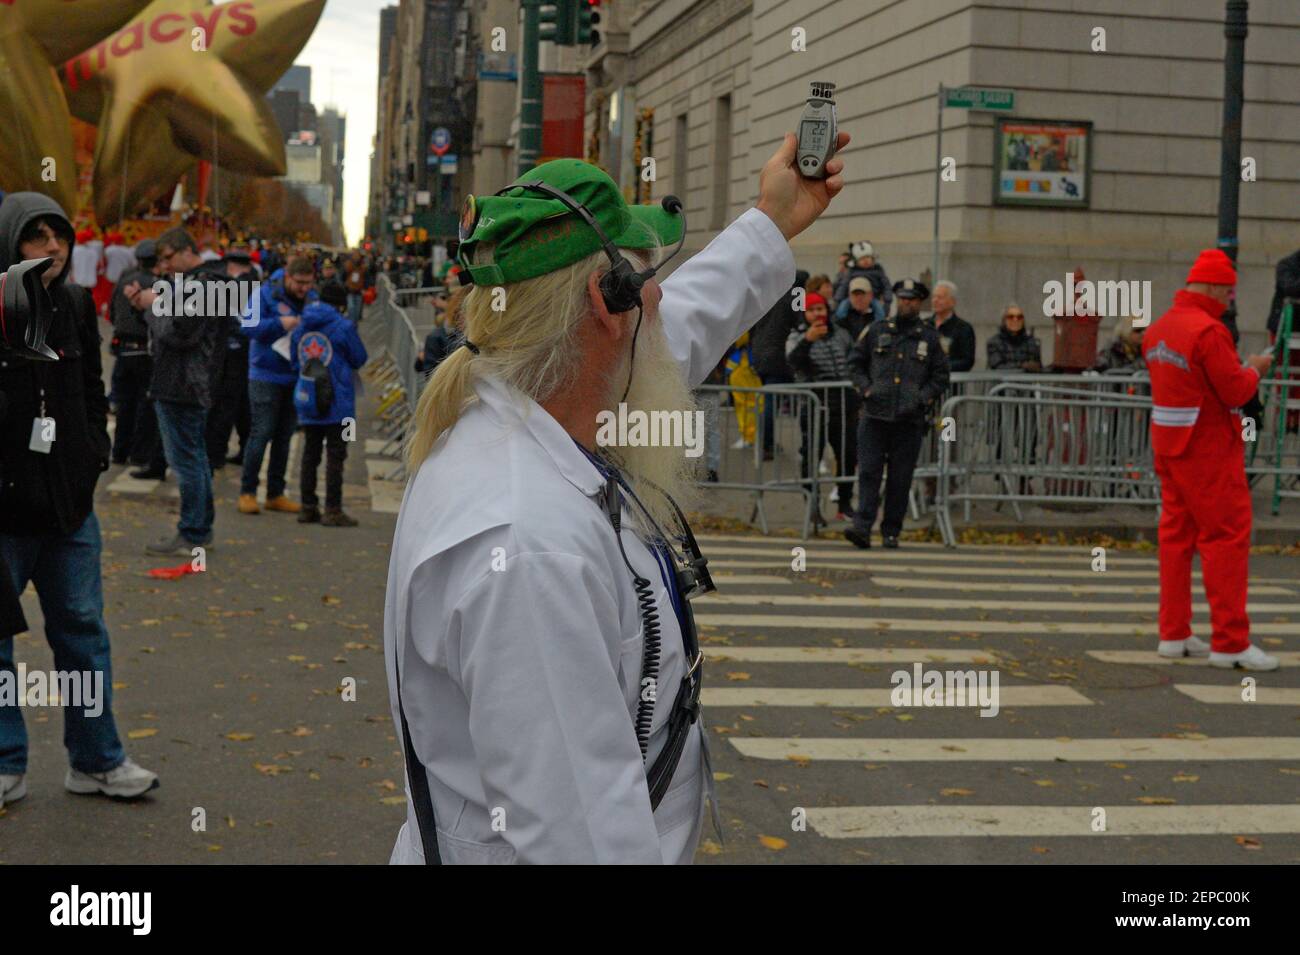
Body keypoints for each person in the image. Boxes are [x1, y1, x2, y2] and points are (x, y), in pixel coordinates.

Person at [384, 134, 846, 864]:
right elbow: (583, 839)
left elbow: (677, 325)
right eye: (646, 274)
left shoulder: (525, 404)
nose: (658, 295)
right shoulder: (529, 546)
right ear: (608, 302)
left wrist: (771, 218)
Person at [0, 192, 158, 805]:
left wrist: (91, 457)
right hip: (6, 512)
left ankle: (95, 760)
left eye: (58, 236)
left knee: (83, 632)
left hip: (68, 508)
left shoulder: (72, 303)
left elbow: (93, 393)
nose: (53, 248)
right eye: (36, 237)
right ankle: (7, 760)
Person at [1143, 249, 1276, 670]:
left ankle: (1174, 633)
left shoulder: (1158, 329)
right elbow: (1235, 391)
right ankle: (1231, 642)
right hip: (1208, 449)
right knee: (1226, 539)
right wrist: (1255, 368)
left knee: (1176, 539)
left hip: (1168, 445)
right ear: (1217, 286)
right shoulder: (1209, 331)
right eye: (1229, 293)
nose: (1229, 301)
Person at [123, 227, 225, 555]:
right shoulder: (206, 282)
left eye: (167, 258)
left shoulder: (204, 283)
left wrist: (152, 306)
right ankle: (199, 527)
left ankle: (193, 531)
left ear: (185, 251)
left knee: (186, 461)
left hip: (183, 383)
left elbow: (181, 334)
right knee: (194, 457)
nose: (164, 266)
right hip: (188, 381)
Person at [846, 278, 950, 549]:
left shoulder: (928, 337)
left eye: (912, 299)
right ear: (896, 300)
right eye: (903, 298)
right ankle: (862, 527)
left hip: (909, 418)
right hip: (874, 415)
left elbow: (940, 376)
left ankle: (891, 531)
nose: (907, 303)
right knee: (869, 472)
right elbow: (855, 364)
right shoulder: (877, 330)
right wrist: (866, 390)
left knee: (900, 478)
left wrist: (922, 397)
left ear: (919, 303)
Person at [239, 256, 317, 515]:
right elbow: (248, 325)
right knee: (261, 433)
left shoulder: (312, 299)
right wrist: (278, 325)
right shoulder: (265, 294)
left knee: (284, 437)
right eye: (299, 282)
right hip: (265, 373)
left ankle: (275, 492)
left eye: (308, 283)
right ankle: (248, 491)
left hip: (295, 375)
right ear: (287, 277)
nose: (303, 288)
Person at [291, 283, 368, 527]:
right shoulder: (344, 326)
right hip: (340, 403)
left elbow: (294, 358)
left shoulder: (301, 324)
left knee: (309, 454)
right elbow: (359, 358)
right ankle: (332, 509)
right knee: (337, 455)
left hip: (309, 399)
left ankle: (307, 506)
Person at [786, 291, 858, 520]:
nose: (818, 314)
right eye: (812, 310)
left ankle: (844, 504)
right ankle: (812, 505)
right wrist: (808, 340)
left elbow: (854, 360)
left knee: (847, 454)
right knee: (811, 455)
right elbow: (792, 362)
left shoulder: (841, 334)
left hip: (843, 404)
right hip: (814, 403)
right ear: (805, 314)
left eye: (821, 309)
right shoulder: (797, 336)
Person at [109, 240, 165, 470]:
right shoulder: (158, 285)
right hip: (146, 348)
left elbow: (113, 310)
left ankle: (119, 451)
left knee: (124, 402)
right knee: (145, 404)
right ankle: (140, 454)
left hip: (123, 347)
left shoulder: (124, 278)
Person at [203, 247, 257, 469]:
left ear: (231, 266)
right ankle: (246, 449)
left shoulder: (234, 286)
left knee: (225, 405)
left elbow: (231, 321)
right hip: (248, 353)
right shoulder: (255, 284)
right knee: (243, 405)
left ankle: (215, 453)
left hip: (232, 352)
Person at [928, 280, 975, 373]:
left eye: (940, 297)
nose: (935, 300)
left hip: (950, 382)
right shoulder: (925, 325)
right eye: (934, 297)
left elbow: (967, 361)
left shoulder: (963, 328)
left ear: (952, 301)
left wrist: (940, 367)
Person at [832, 240, 891, 310]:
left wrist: (887, 300)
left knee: (879, 310)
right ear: (856, 261)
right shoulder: (852, 271)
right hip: (853, 300)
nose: (865, 261)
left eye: (868, 257)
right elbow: (844, 285)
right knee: (843, 307)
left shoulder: (878, 270)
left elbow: (886, 285)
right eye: (862, 259)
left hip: (873, 298)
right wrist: (837, 300)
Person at [986, 304, 1042, 371]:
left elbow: (1037, 366)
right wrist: (1022, 366)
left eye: (1019, 317)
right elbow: (997, 367)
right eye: (1010, 317)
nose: (1015, 320)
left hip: (1026, 381)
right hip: (1002, 381)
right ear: (1004, 320)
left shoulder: (1032, 342)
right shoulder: (994, 342)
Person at [834, 275, 883, 342]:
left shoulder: (880, 322)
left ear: (871, 295)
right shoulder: (840, 322)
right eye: (855, 294)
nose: (859, 298)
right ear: (849, 296)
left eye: (862, 294)